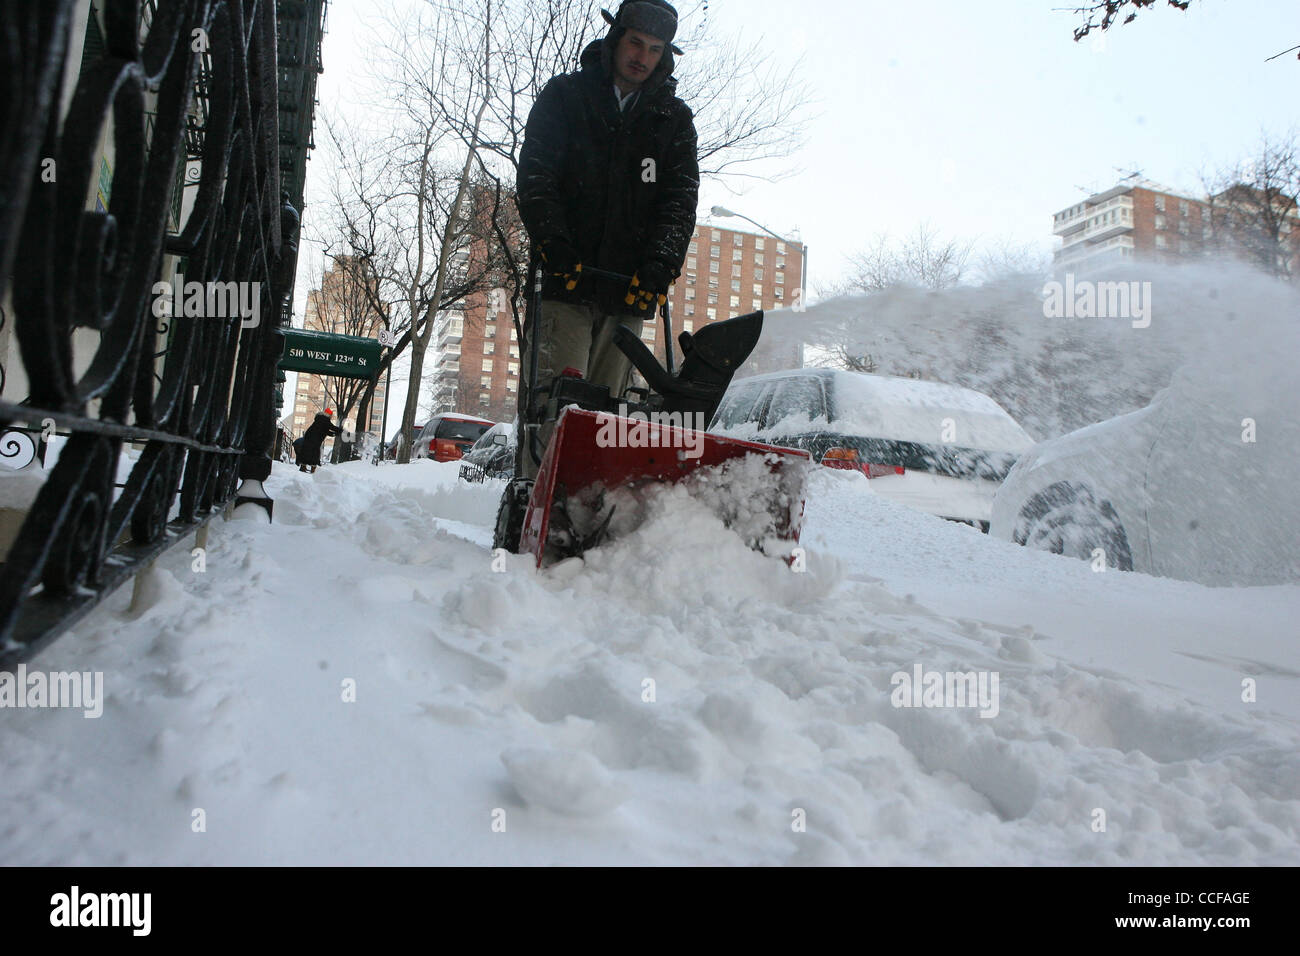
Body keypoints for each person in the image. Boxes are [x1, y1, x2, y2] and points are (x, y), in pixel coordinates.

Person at [495, 0, 700, 551]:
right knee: (559, 398)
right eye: (636, 44)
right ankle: (533, 514)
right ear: (615, 40)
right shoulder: (566, 98)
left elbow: (679, 203)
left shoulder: (672, 122)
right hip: (566, 280)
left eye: (655, 51)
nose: (642, 58)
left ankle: (585, 522)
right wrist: (555, 245)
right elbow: (536, 173)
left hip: (630, 292)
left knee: (606, 412)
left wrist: (658, 266)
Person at [296, 410, 341, 474]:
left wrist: (334, 434)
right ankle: (313, 469)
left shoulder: (320, 419)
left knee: (306, 451)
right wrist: (340, 430)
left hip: (310, 436)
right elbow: (331, 427)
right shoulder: (325, 419)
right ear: (329, 415)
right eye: (331, 415)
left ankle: (303, 467)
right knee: (315, 453)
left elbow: (325, 431)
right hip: (315, 438)